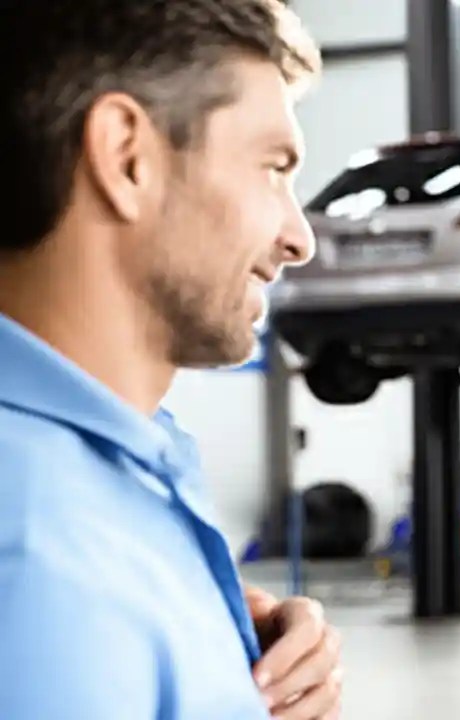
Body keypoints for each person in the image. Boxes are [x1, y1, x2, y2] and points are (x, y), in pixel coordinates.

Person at [0, 1, 342, 718]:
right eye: (273, 168)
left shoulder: (113, 476)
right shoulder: (38, 565)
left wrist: (215, 649)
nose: (298, 236)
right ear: (128, 157)